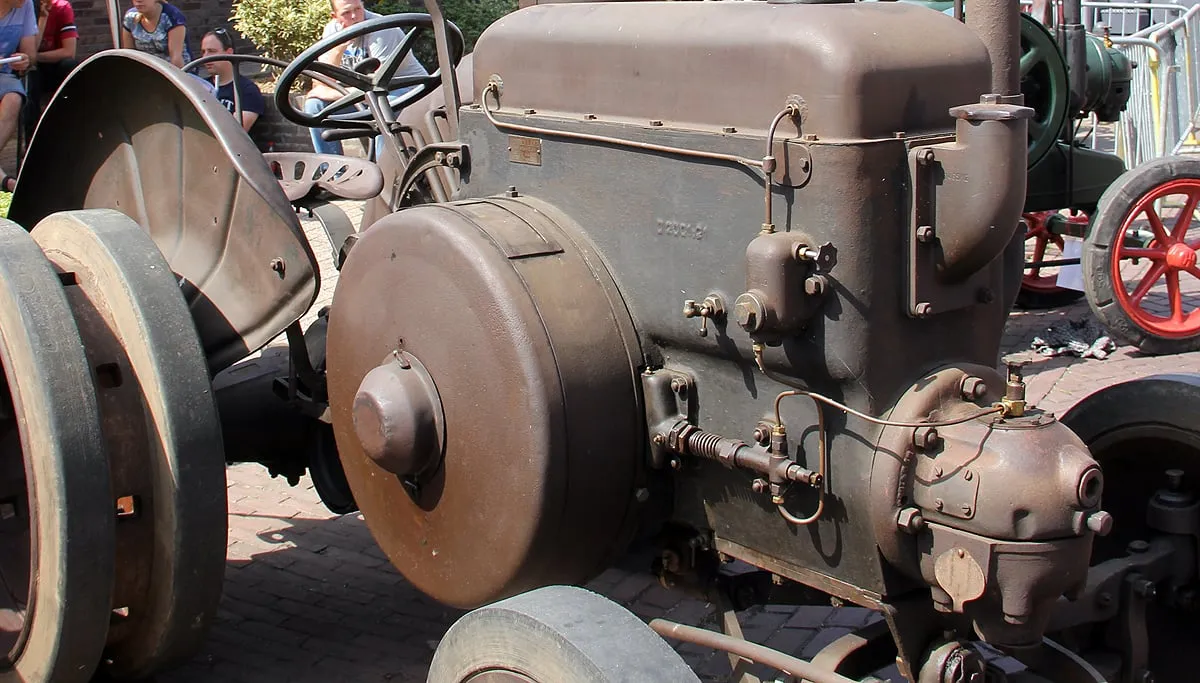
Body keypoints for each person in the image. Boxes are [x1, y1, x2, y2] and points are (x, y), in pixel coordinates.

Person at [303, 0, 428, 157]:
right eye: (346, 13)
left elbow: (377, 87)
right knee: (315, 106)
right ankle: (332, 167)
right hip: (366, 94)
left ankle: (385, 168)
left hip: (406, 90)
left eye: (358, 9)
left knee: (382, 108)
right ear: (334, 16)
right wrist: (338, 50)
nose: (354, 16)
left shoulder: (381, 29)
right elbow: (320, 84)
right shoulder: (332, 31)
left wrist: (333, 93)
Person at [23, 0, 75, 140]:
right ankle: (32, 140)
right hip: (31, 69)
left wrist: (35, 57)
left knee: (70, 67)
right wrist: (42, 19)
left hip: (53, 66)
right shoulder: (23, 7)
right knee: (30, 77)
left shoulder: (61, 7)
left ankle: (70, 129)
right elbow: (30, 55)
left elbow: (69, 52)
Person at [0, 0, 36, 192]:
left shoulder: (26, 5)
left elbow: (30, 55)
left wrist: (25, 60)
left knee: (14, 98)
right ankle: (5, 182)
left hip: (4, 75)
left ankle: (5, 182)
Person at [199, 27, 264, 133]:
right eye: (203, 52)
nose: (205, 57)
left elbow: (235, 133)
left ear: (229, 53)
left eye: (211, 51)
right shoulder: (199, 86)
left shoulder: (246, 90)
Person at [121, 0, 190, 69]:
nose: (138, 0)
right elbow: (129, 54)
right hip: (145, 70)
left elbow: (176, 58)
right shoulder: (130, 17)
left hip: (174, 70)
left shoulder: (172, 16)